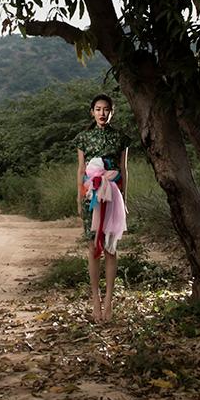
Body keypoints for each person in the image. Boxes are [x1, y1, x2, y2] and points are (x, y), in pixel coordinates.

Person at [75, 93, 132, 323]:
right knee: (92, 246)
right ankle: (95, 303)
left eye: (106, 109)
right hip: (91, 195)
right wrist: (79, 199)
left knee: (110, 246)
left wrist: (125, 198)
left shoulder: (121, 138)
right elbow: (81, 170)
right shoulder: (83, 138)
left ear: (111, 112)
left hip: (113, 196)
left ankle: (109, 304)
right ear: (92, 112)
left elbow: (124, 170)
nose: (102, 113)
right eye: (98, 109)